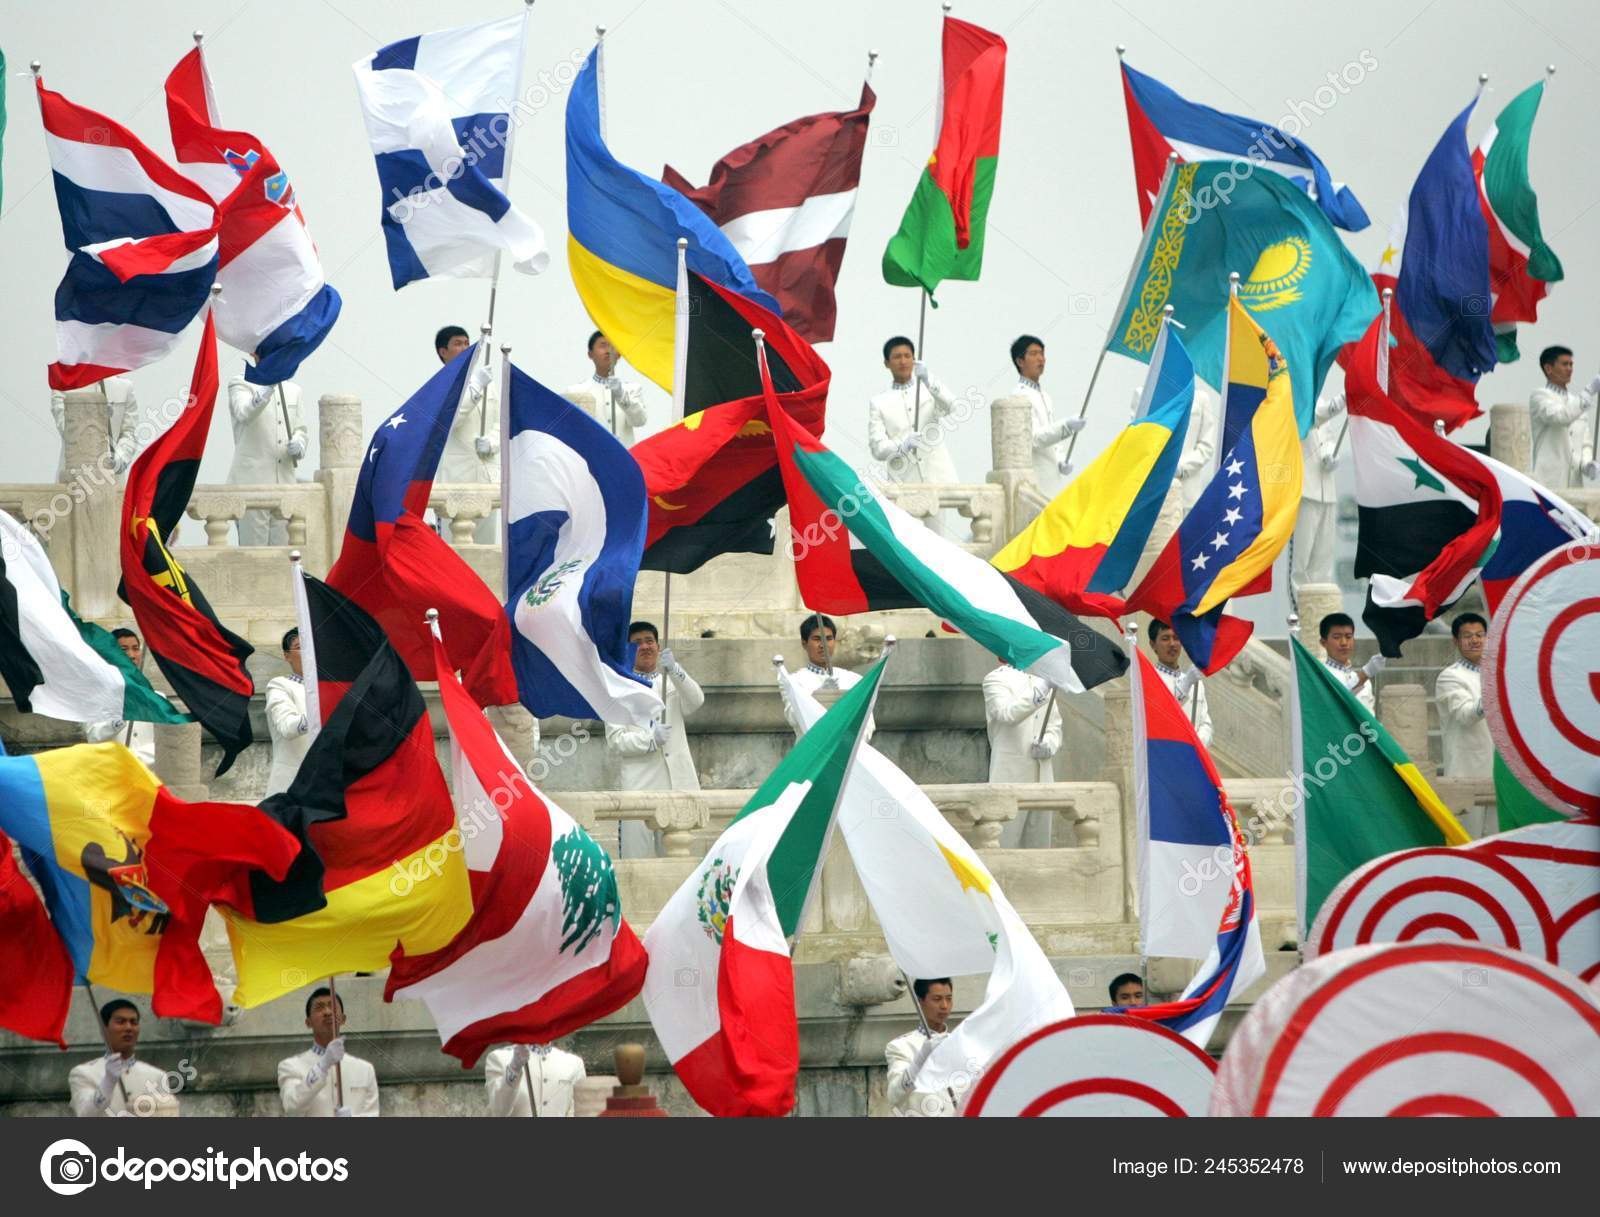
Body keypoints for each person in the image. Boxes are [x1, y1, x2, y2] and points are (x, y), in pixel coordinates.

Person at [604, 621, 703, 858]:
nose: (645, 646)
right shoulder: (618, 689)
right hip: (639, 786)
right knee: (635, 859)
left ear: (658, 647)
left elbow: (696, 701)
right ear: (627, 650)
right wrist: (650, 740)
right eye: (637, 643)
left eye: (649, 641)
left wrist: (677, 670)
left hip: (676, 782)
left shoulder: (671, 681)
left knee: (678, 858)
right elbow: (616, 741)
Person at [982, 660, 1061, 847]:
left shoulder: (1042, 680)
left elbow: (1054, 726)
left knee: (1040, 848)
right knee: (1005, 844)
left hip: (1042, 776)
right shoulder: (995, 679)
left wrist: (1048, 744)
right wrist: (1041, 690)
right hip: (1010, 774)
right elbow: (1006, 714)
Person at [226, 373, 308, 545]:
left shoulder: (294, 390)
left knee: (281, 556)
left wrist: (299, 444)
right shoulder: (240, 383)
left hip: (285, 486)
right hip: (251, 485)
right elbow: (244, 414)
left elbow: (301, 429)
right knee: (254, 554)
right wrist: (267, 388)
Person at [434, 325, 499, 543]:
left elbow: (503, 421)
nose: (464, 348)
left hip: (486, 476)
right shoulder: (440, 384)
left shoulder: (489, 384)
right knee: (455, 548)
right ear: (443, 352)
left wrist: (492, 442)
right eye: (457, 344)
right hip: (456, 479)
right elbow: (451, 420)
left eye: (466, 343)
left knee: (486, 543)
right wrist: (475, 387)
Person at [867, 336, 960, 484]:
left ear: (914, 359)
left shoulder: (928, 389)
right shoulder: (879, 403)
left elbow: (951, 407)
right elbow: (877, 448)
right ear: (887, 363)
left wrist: (928, 379)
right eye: (897, 357)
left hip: (938, 477)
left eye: (907, 356)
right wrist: (902, 446)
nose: (903, 361)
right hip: (903, 481)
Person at [278, 987, 379, 1116]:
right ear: (308, 1022)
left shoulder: (365, 1069)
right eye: (319, 1008)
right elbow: (292, 1107)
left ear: (343, 1019)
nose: (327, 1012)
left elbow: (373, 1114)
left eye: (332, 1006)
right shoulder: (290, 1066)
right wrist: (323, 1065)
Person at [68, 999, 179, 1116]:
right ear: (104, 1029)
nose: (128, 1028)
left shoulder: (157, 1076)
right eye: (120, 1022)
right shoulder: (83, 1073)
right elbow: (85, 1113)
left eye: (134, 1022)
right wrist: (108, 1082)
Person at [1010, 334, 1085, 499]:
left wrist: (1060, 459)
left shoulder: (1045, 396)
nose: (1041, 359)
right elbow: (1034, 439)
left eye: (1042, 354)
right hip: (1036, 481)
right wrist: (1066, 426)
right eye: (1034, 354)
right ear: (1020, 361)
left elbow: (1051, 436)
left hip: (1052, 479)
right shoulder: (1019, 397)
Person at [780, 614, 875, 742]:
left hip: (846, 753)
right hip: (812, 753)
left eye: (829, 638)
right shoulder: (793, 681)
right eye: (817, 639)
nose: (823, 644)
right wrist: (819, 698)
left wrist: (849, 743)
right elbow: (794, 717)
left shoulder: (855, 680)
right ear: (804, 643)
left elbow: (867, 723)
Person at [1291, 393, 1348, 589]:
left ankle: (1321, 617)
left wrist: (1331, 455)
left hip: (1326, 491)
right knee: (1300, 566)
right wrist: (1340, 401)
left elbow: (1328, 438)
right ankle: (1300, 616)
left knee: (1323, 564)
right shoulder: (1292, 397)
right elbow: (1311, 418)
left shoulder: (1320, 399)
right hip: (1303, 491)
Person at [885, 978, 961, 1117]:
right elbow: (894, 1095)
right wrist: (921, 1058)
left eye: (948, 999)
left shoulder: (961, 1044)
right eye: (937, 999)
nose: (944, 1005)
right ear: (920, 1002)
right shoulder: (900, 1047)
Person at [1529, 345, 1599, 489]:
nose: (1570, 369)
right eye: (1565, 364)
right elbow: (1561, 417)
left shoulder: (1577, 403)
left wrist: (1586, 464)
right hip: (1549, 484)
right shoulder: (1540, 397)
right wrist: (1588, 392)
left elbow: (1585, 443)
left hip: (1574, 486)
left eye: (1571, 364)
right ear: (1549, 368)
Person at [85, 629, 156, 768]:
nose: (131, 655)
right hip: (113, 773)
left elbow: (165, 743)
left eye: (135, 649)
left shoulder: (156, 698)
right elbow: (94, 736)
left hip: (147, 776)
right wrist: (121, 717)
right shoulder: (97, 696)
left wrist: (134, 757)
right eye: (124, 649)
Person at [51, 376, 140, 483]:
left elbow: (129, 433)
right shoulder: (63, 387)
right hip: (73, 479)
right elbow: (67, 429)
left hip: (113, 481)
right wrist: (95, 413)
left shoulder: (124, 387)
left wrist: (119, 459)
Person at [1435, 612, 1491, 779]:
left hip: (1500, 770)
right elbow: (1465, 716)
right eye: (1467, 636)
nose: (1475, 640)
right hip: (1467, 770)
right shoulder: (1450, 677)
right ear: (1456, 641)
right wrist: (1494, 695)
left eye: (1480, 635)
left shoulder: (1497, 674)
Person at [566, 331, 647, 446]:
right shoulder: (576, 391)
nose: (608, 351)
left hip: (622, 459)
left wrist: (621, 395)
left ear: (618, 355)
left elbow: (639, 421)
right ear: (590, 354)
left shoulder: (632, 389)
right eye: (603, 346)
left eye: (612, 347)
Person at [1147, 619, 1212, 747]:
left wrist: (1198, 742)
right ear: (1153, 644)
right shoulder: (1149, 678)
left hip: (1193, 757)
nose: (1172, 644)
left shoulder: (1195, 682)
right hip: (1166, 755)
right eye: (1165, 638)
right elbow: (1161, 714)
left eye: (1176, 638)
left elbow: (1206, 724)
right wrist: (1186, 684)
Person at [264, 628, 312, 798]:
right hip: (291, 787)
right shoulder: (279, 686)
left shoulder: (334, 688)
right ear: (287, 655)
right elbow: (287, 727)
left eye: (312, 645)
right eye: (300, 647)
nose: (308, 652)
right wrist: (321, 712)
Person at [483, 1042, 587, 1117]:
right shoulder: (499, 1058)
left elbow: (580, 1111)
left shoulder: (574, 1063)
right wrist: (514, 1068)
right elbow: (498, 1112)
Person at [1319, 612, 1379, 713]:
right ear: (1323, 642)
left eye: (1348, 637)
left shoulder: (1366, 682)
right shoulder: (1320, 676)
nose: (1344, 643)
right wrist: (1365, 674)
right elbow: (1335, 705)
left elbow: (1370, 719)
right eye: (1337, 637)